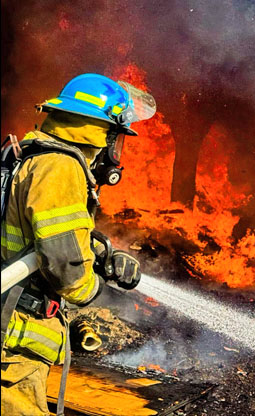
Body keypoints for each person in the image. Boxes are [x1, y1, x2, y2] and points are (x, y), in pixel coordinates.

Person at [1, 73, 155, 415]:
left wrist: (101, 254)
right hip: (15, 337)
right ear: (103, 132)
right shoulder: (62, 167)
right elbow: (63, 265)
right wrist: (93, 288)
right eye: (119, 138)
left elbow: (41, 235)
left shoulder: (36, 155)